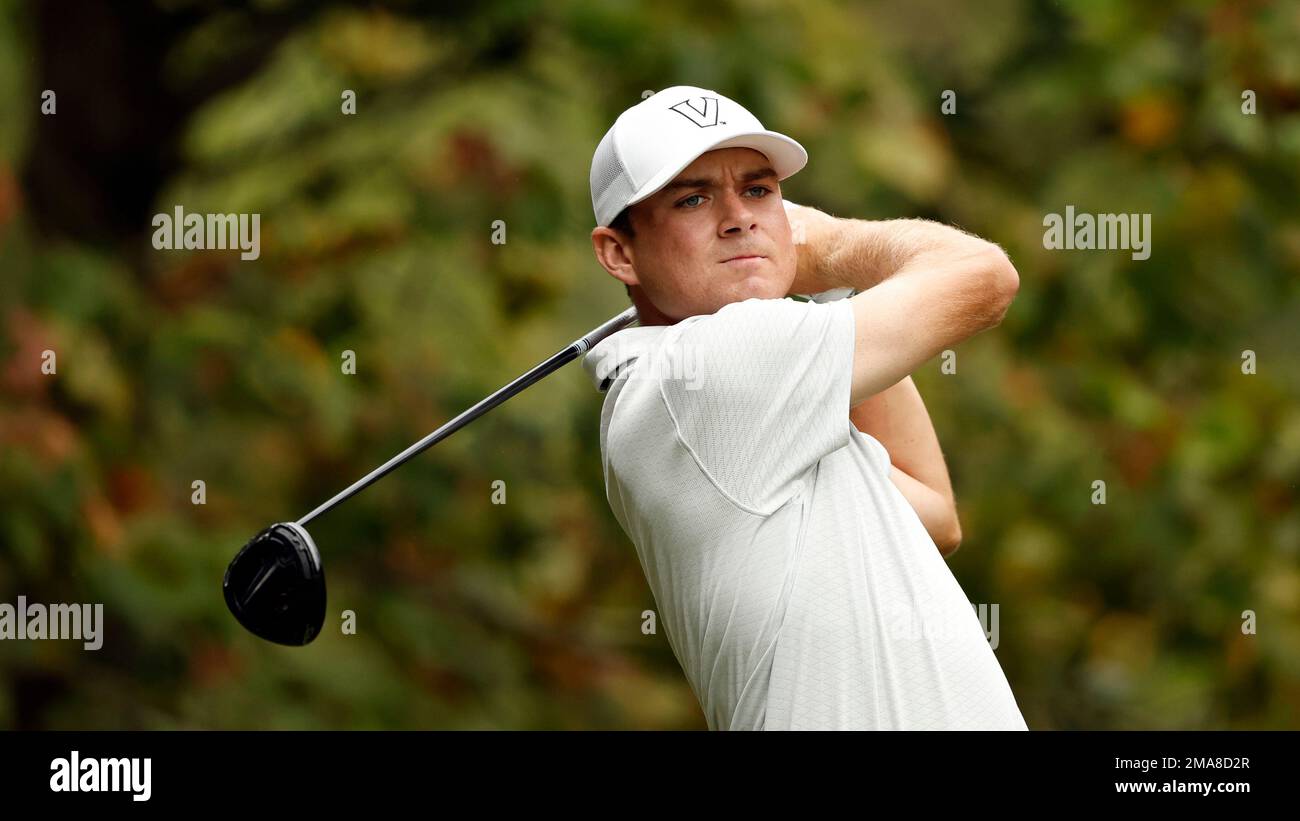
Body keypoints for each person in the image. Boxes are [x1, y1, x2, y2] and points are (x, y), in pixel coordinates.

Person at [583, 85, 1027, 730]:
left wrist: (826, 292)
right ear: (620, 253)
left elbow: (934, 515)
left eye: (759, 190)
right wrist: (837, 248)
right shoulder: (707, 370)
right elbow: (986, 278)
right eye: (693, 199)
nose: (740, 218)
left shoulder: (731, 398)